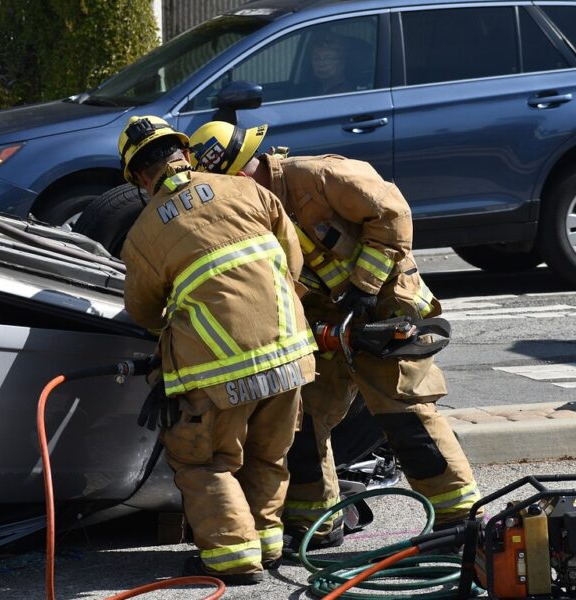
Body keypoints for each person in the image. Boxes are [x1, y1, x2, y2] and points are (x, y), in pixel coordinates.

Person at [188, 120, 481, 550]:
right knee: (301, 418)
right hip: (330, 326)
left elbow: (393, 213)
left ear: (250, 166)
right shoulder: (250, 212)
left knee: (404, 414)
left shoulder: (319, 176)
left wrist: (365, 287)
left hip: (383, 309)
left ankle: (459, 520)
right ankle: (317, 524)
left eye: (236, 180)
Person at [118, 115, 317, 585]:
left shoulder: (143, 233)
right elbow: (293, 261)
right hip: (291, 355)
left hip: (217, 373)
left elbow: (144, 311)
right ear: (185, 154)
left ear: (141, 178)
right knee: (269, 455)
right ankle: (268, 545)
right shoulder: (246, 189)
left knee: (205, 462)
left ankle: (233, 558)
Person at [307, 29, 373, 96]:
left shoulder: (343, 93)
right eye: (316, 58)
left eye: (328, 58)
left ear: (342, 63)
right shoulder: (316, 89)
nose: (321, 64)